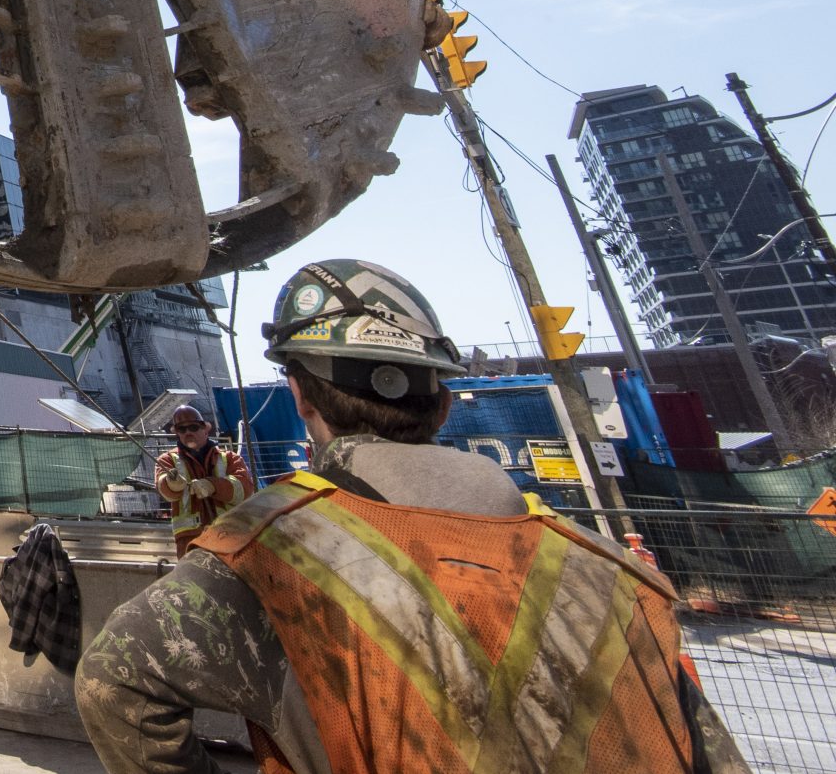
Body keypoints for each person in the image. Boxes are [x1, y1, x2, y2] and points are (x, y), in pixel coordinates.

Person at [76, 259, 747, 774]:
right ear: (446, 404)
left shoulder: (271, 556)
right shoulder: (619, 575)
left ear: (302, 397)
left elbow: (112, 683)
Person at [153, 402, 255, 557]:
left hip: (229, 535)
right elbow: (165, 491)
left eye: (193, 427)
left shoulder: (229, 458)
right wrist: (171, 484)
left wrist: (212, 486)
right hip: (191, 539)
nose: (188, 432)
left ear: (206, 429)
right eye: (182, 429)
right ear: (177, 433)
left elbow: (244, 489)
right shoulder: (168, 461)